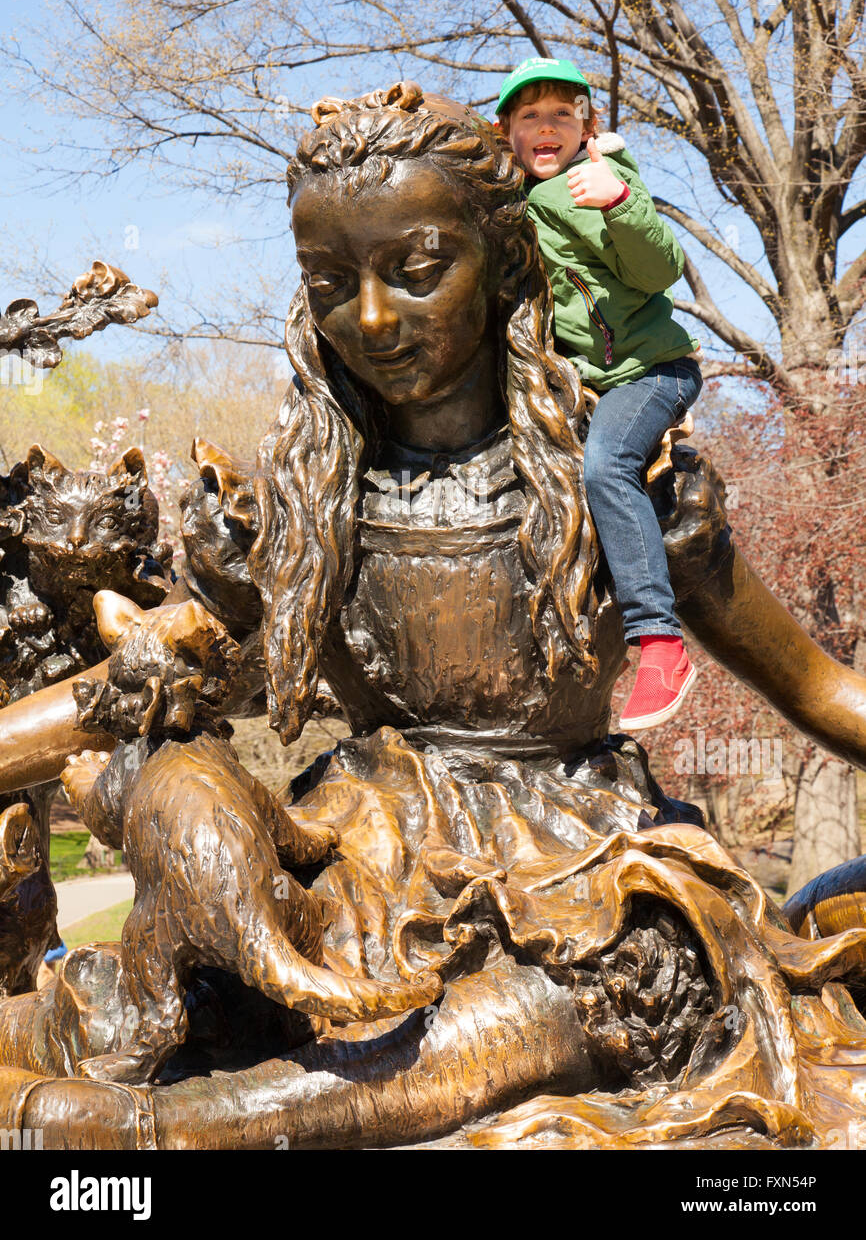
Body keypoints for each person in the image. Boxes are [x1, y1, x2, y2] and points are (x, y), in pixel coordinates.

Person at [2, 82, 866, 1151]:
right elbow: (131, 689)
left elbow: (817, 689)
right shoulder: (316, 507)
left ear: (504, 263)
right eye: (330, 283)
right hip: (360, 854)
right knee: (190, 853)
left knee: (548, 1007)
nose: (369, 318)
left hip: (570, 872)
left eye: (415, 273)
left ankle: (167, 1131)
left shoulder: (620, 488)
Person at [496, 57, 703, 732]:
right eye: (530, 116)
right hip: (573, 384)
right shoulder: (508, 200)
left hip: (645, 372)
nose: (546, 127)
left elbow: (659, 268)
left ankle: (660, 644)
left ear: (589, 125)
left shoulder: (600, 181)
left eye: (563, 113)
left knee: (604, 466)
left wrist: (616, 199)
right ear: (507, 133)